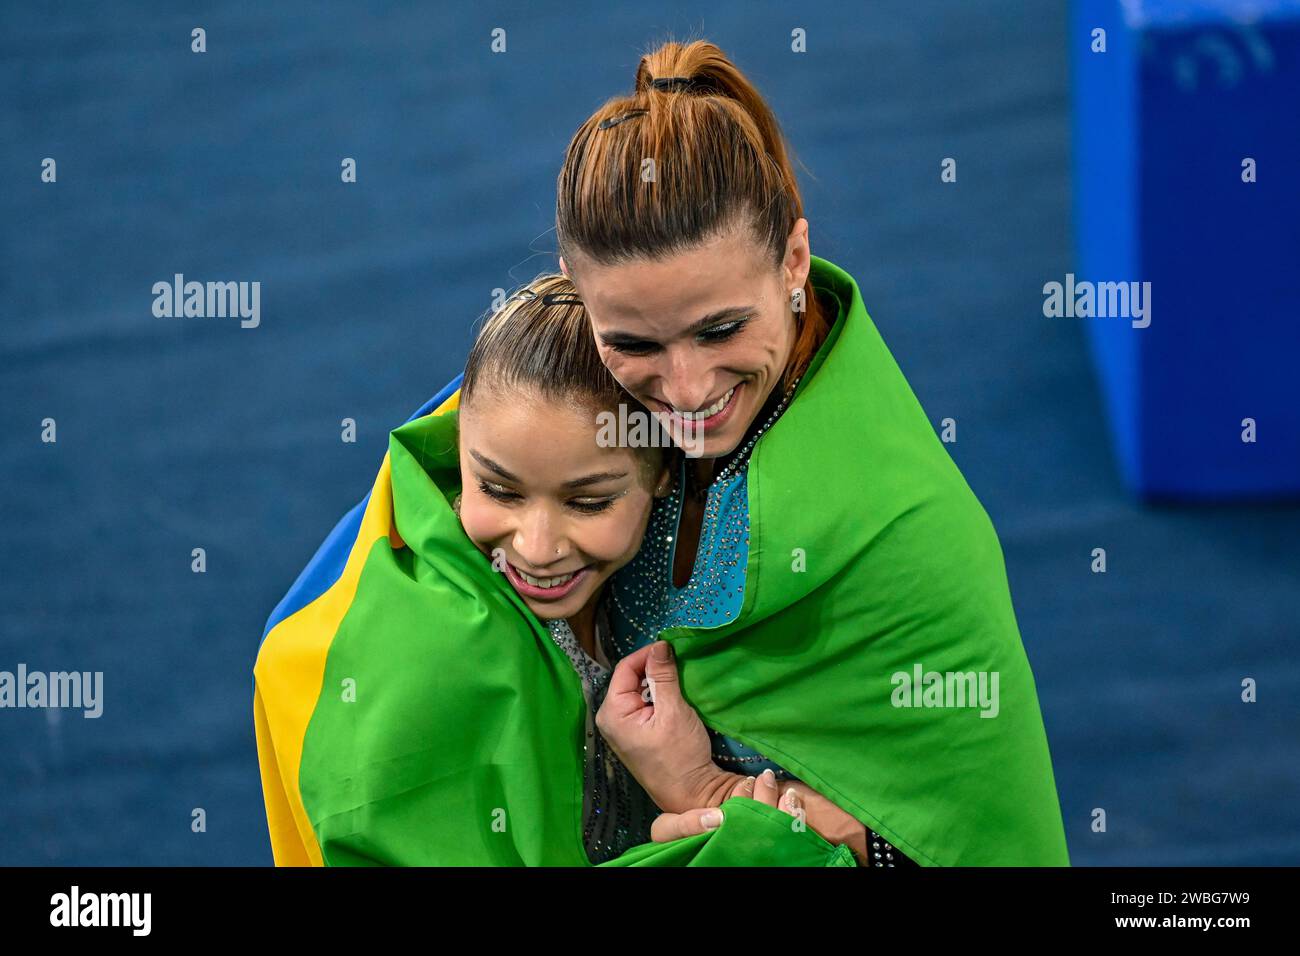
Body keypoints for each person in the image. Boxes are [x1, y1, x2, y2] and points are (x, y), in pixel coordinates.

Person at [553, 38, 1070, 866]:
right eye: (633, 342)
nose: (684, 392)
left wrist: (705, 797)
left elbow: (982, 847)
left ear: (794, 260)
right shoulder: (569, 392)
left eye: (721, 330)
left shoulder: (908, 537)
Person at [253, 274, 851, 866]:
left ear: (668, 470)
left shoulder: (713, 555)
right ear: (458, 446)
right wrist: (722, 816)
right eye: (497, 489)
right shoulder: (429, 667)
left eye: (587, 502)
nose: (537, 549)